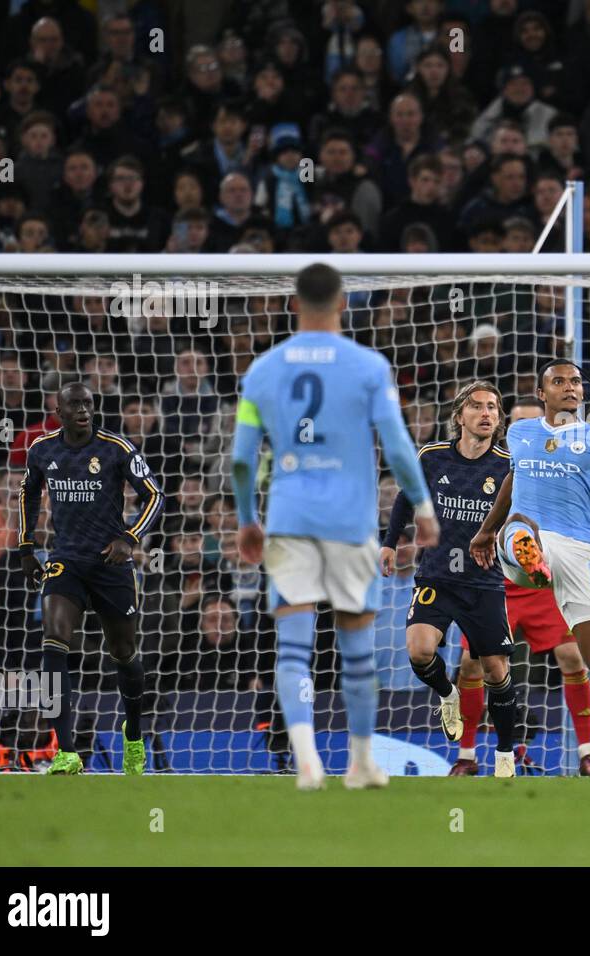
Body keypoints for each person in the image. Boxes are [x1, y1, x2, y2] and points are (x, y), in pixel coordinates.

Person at [231, 263, 438, 791]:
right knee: (357, 649)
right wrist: (422, 507)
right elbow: (395, 445)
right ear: (343, 302)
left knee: (293, 650)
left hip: (289, 520)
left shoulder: (262, 370)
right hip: (350, 524)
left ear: (294, 303)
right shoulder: (369, 366)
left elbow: (239, 460)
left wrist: (247, 520)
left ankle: (306, 760)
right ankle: (361, 762)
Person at [468, 360, 590, 777]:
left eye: (575, 381)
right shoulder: (520, 432)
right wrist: (487, 531)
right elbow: (511, 481)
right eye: (558, 381)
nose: (570, 387)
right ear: (542, 393)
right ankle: (526, 555)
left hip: (580, 551)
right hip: (530, 541)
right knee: (521, 525)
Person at [446, 397, 590, 776]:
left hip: (542, 582)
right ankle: (466, 756)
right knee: (472, 666)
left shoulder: (561, 468)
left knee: (573, 657)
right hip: (495, 582)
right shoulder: (492, 466)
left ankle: (586, 754)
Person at [18, 382, 166, 775]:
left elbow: (155, 494)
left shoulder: (116, 448)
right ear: (59, 410)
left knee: (124, 653)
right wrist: (26, 546)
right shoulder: (42, 450)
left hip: (111, 566)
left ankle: (133, 733)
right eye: (75, 404)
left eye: (88, 403)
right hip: (65, 561)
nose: (83, 410)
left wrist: (130, 537)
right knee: (52, 640)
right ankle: (66, 752)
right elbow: (29, 494)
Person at [378, 381, 524, 777]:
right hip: (438, 575)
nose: (486, 413)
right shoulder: (432, 456)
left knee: (496, 671)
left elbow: (522, 515)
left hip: (484, 581)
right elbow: (407, 497)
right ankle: (448, 694)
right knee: (419, 650)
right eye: (477, 406)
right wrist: (390, 543)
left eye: (493, 407)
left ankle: (505, 755)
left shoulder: (508, 465)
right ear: (459, 416)